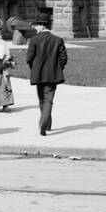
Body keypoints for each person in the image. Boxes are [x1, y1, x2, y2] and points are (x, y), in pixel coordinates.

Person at [26, 8, 67, 136]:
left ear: (41, 25)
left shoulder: (34, 40)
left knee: (42, 100)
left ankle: (43, 124)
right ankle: (47, 124)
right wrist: (57, 67)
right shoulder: (58, 40)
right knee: (48, 100)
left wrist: (34, 68)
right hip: (53, 74)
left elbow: (29, 59)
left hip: (38, 74)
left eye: (36, 25)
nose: (35, 28)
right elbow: (63, 58)